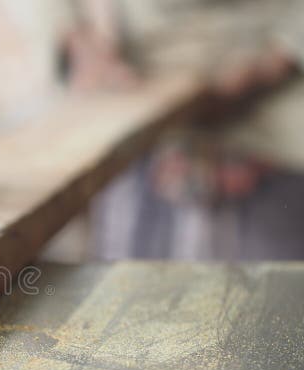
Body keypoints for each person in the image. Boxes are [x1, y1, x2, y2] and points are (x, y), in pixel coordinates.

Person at [63, 0, 304, 260]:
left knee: (274, 276)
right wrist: (79, 39)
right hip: (140, 95)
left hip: (273, 110)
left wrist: (275, 61)